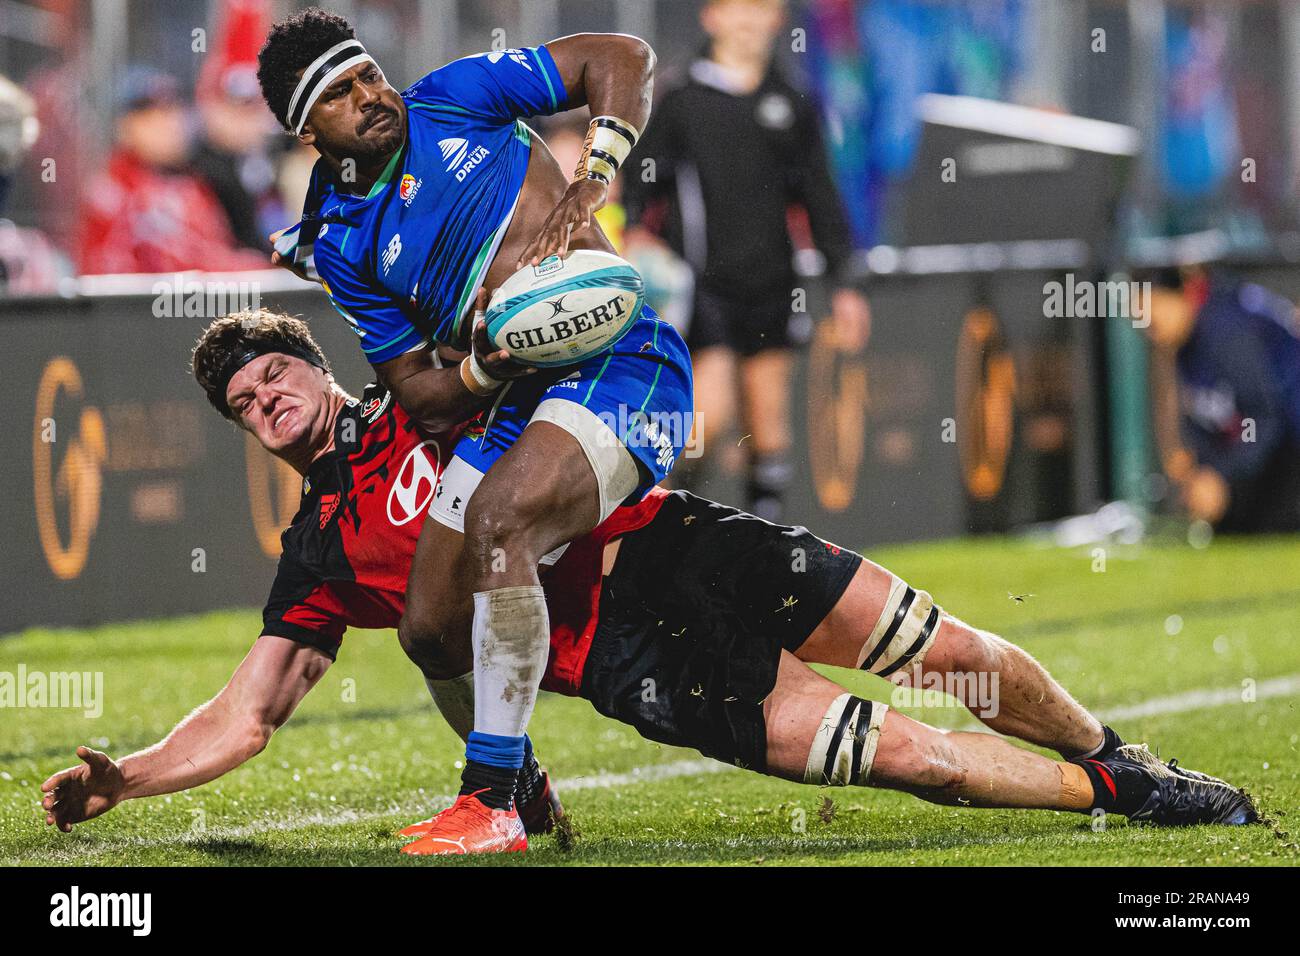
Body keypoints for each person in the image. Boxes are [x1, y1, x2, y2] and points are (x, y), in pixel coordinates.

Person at [39, 310, 1258, 850]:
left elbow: (555, 355)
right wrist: (130, 777)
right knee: (915, 755)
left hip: (672, 539)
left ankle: (1119, 758)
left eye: (273, 376)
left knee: (954, 653)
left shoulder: (433, 388)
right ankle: (1109, 805)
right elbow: (248, 711)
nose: (268, 405)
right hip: (626, 661)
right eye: (245, 406)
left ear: (310, 361)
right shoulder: (317, 551)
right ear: (245, 431)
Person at [256, 7, 693, 851]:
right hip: (515, 395)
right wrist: (490, 357)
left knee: (500, 524)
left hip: (622, 362)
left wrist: (592, 175)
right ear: (311, 130)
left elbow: (622, 55)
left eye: (369, 74)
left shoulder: (455, 95)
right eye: (343, 96)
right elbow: (422, 396)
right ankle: (524, 795)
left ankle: (485, 799)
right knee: (427, 626)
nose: (372, 96)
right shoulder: (343, 241)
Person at [622, 0, 870, 521]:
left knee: (769, 421)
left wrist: (844, 283)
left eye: (762, 10)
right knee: (706, 421)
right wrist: (636, 232)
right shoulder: (682, 98)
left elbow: (821, 196)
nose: (750, 20)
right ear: (711, 18)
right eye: (738, 9)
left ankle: (766, 555)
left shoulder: (792, 101)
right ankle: (652, 523)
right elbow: (645, 175)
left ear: (778, 19)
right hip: (703, 285)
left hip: (774, 283)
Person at [1142, 266, 1300, 532]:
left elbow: (1265, 419)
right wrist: (1203, 472)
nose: (1147, 324)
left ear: (1183, 296)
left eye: (1151, 309)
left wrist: (1222, 476)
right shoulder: (1186, 344)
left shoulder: (1225, 332)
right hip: (1272, 457)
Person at [77, 67, 266, 275]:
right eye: (151, 118)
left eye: (171, 113)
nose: (168, 126)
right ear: (126, 128)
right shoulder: (112, 192)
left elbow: (216, 251)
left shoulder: (194, 185)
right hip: (144, 305)